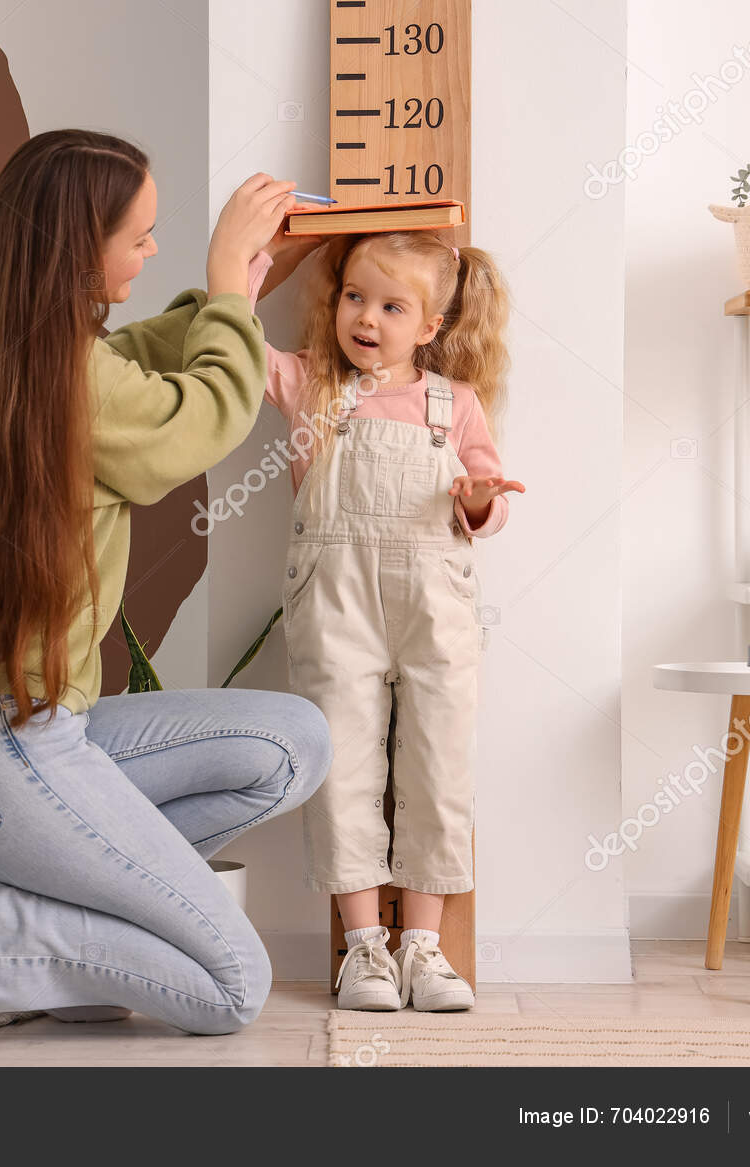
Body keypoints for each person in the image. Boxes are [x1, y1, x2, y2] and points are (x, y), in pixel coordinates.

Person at [0, 129, 334, 1059]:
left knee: (291, 742)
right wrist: (224, 279)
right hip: (3, 751)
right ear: (75, 245)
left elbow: (132, 363)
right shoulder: (74, 381)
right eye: (139, 236)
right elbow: (202, 415)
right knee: (229, 984)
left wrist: (241, 291)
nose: (150, 252)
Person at [248, 227, 524, 1011]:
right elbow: (231, 337)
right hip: (335, 603)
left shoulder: (456, 403)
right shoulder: (309, 385)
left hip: (433, 606)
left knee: (439, 764)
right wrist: (265, 258)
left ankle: (425, 949)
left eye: (392, 306)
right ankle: (364, 947)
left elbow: (488, 493)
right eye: (354, 297)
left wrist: (479, 501)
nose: (366, 317)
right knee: (345, 769)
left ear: (431, 326)